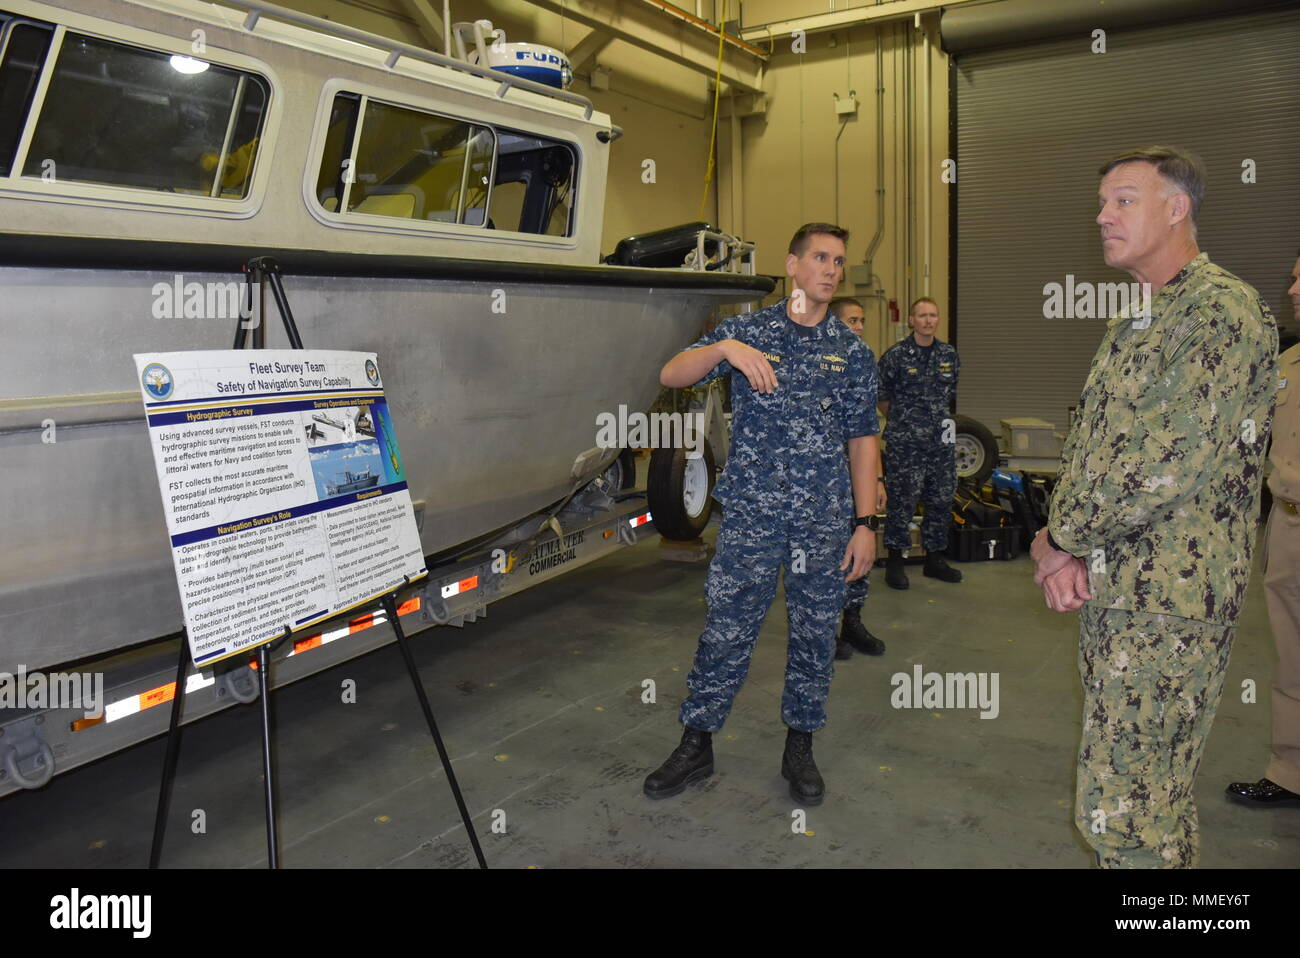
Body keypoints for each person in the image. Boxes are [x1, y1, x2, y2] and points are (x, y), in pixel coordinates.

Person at [1031, 146, 1277, 868]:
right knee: (1149, 806)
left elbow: (1160, 464)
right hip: (1127, 592)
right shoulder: (1141, 319)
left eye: (1124, 200)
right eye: (1102, 202)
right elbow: (1096, 446)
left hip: (1168, 603)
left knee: (1126, 819)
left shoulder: (1220, 311)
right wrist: (1072, 545)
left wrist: (1059, 537)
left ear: (1178, 209)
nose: (1102, 216)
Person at [643, 223, 882, 806]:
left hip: (823, 523)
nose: (831, 269)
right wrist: (724, 349)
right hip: (753, 517)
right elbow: (670, 375)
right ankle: (696, 743)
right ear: (793, 264)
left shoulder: (851, 351)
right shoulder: (748, 332)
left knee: (814, 636)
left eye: (840, 261)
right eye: (820, 257)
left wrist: (866, 523)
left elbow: (863, 442)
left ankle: (799, 747)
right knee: (726, 629)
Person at [1226, 250, 1300, 808]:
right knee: (1292, 656)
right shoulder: (1287, 363)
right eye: (1291, 276)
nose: (1293, 290)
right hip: (1288, 528)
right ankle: (1290, 771)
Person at [878, 297, 963, 589]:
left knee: (941, 498)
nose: (928, 320)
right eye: (922, 315)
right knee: (902, 501)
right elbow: (882, 397)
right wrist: (905, 423)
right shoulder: (896, 356)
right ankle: (895, 561)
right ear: (912, 320)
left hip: (941, 442)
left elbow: (949, 394)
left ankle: (934, 559)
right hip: (906, 443)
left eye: (933, 315)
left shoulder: (949, 355)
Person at [828, 296, 887, 657]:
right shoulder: (818, 364)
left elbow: (869, 432)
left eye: (862, 320)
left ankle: (852, 621)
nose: (860, 327)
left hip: (859, 484)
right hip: (827, 485)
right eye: (853, 320)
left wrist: (878, 480)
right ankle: (825, 629)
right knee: (828, 558)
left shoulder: (863, 363)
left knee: (860, 551)